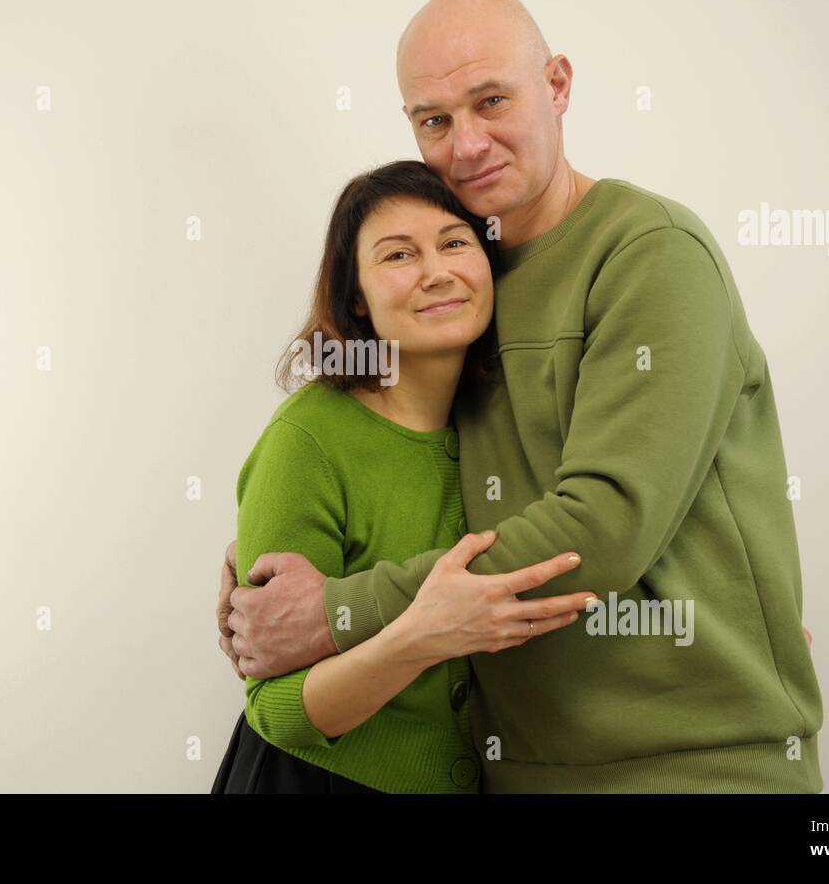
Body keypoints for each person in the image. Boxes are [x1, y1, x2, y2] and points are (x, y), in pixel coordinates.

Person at [219, 0, 824, 793]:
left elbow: (599, 531)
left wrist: (333, 611)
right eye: (433, 119)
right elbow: (426, 491)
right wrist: (257, 583)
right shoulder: (466, 293)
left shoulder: (651, 254)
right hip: (516, 771)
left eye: (491, 100)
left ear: (559, 85)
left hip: (689, 767)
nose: (467, 143)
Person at [212, 160, 596, 794]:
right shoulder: (307, 439)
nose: (436, 271)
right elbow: (276, 708)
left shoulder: (512, 424)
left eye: (454, 242)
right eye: (398, 255)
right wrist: (421, 636)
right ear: (356, 295)